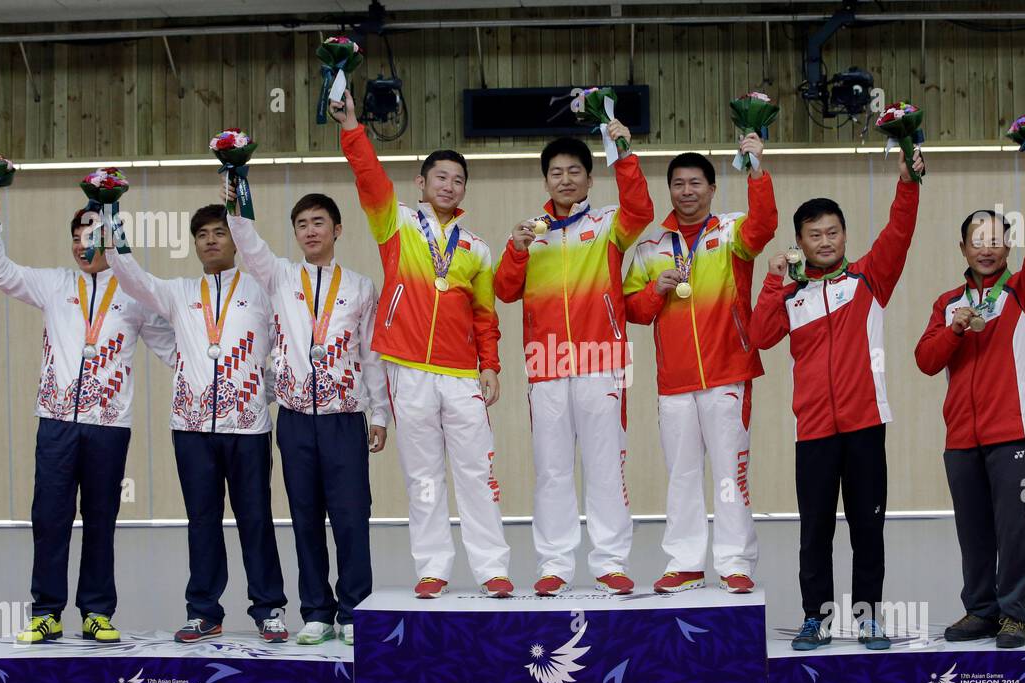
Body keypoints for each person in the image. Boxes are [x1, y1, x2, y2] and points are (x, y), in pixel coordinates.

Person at [333, 91, 513, 599]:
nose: (449, 186)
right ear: (422, 183)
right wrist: (352, 128)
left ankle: (492, 568)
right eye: (441, 177)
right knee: (424, 476)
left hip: (461, 374)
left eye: (458, 180)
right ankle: (432, 567)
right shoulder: (397, 224)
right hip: (407, 369)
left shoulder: (477, 248)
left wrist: (491, 366)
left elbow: (484, 315)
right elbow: (369, 180)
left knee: (478, 471)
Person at [0, 190, 175, 645]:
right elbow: (0, 272)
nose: (84, 246)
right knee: (49, 518)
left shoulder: (136, 294)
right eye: (77, 237)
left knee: (101, 519)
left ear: (110, 242)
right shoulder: (52, 284)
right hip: (56, 422)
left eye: (93, 236)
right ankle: (46, 612)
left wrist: (232, 379)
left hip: (108, 426)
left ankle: (97, 612)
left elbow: (172, 349)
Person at [751, 147, 924, 651]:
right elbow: (761, 337)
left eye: (833, 232)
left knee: (867, 530)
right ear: (800, 242)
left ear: (844, 235)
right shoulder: (791, 295)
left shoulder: (869, 277)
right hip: (814, 433)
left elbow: (899, 232)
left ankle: (869, 618)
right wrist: (773, 278)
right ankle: (816, 619)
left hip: (866, 425)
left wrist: (909, 182)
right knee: (815, 534)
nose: (825, 242)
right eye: (814, 235)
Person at [107, 204, 289, 643]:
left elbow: (284, 346)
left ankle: (269, 609)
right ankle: (204, 610)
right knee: (201, 520)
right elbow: (132, 278)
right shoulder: (178, 291)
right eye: (202, 234)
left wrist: (258, 394)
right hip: (190, 428)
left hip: (248, 428)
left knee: (256, 519)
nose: (210, 240)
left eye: (219, 233)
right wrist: (111, 220)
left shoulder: (263, 290)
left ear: (236, 240)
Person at [225, 184, 389, 646]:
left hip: (344, 416)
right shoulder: (278, 276)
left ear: (337, 229)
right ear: (294, 234)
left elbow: (371, 353)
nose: (310, 231)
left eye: (319, 223)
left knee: (352, 516)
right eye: (301, 224)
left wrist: (379, 414)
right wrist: (236, 186)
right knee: (305, 516)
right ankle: (316, 610)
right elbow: (246, 238)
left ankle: (355, 609)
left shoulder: (360, 287)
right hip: (296, 418)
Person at [495, 129, 654, 596]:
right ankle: (555, 564)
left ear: (589, 179)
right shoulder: (530, 233)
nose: (565, 180)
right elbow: (505, 290)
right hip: (545, 365)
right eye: (556, 173)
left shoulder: (608, 225)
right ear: (545, 181)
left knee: (606, 465)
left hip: (601, 360)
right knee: (552, 469)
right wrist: (516, 250)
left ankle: (610, 561)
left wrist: (623, 154)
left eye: (574, 172)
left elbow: (642, 210)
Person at [914, 160, 1025, 649]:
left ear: (1008, 246)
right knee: (973, 532)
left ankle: (1015, 613)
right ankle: (980, 609)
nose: (988, 247)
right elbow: (926, 361)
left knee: (1014, 532)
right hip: (960, 438)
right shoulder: (948, 302)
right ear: (963, 248)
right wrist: (955, 326)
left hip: (1012, 432)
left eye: (996, 239)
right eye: (978, 238)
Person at [624, 141, 776, 594]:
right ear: (669, 190)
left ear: (712, 188)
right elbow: (632, 309)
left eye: (695, 183)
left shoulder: (731, 231)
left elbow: (765, 226)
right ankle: (685, 562)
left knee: (731, 472)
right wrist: (656, 290)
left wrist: (757, 170)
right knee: (682, 475)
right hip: (675, 382)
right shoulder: (652, 246)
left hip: (728, 372)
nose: (686, 191)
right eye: (678, 184)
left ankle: (735, 560)